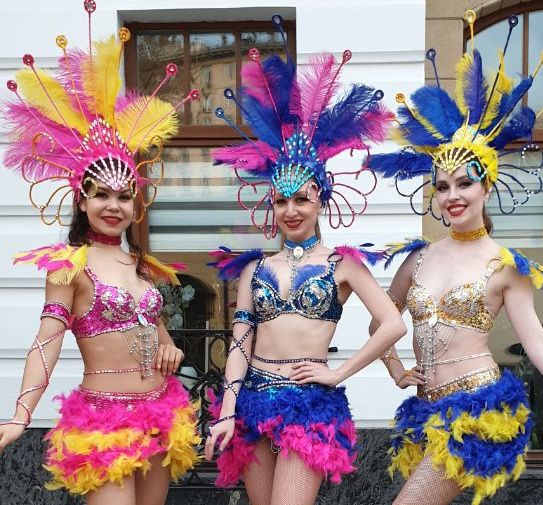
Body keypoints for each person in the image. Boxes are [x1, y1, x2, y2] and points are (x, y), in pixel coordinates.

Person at [367, 10, 543, 505]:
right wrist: (394, 368)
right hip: (425, 411)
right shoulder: (417, 260)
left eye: (464, 183)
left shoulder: (506, 266)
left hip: (477, 411)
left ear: (486, 187)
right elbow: (382, 321)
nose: (452, 196)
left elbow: (539, 347)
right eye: (442, 186)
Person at [0, 3, 202, 503]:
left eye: (124, 196)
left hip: (160, 410)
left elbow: (156, 334)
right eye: (102, 195)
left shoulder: (141, 266)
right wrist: (20, 416)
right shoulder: (68, 266)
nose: (114, 206)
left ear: (135, 203)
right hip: (104, 419)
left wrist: (171, 349)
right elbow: (46, 343)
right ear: (81, 200)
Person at [204, 15, 406, 505]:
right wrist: (227, 410)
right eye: (281, 200)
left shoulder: (343, 264)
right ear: (270, 204)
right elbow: (240, 343)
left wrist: (338, 372)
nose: (290, 210)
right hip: (252, 401)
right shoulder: (254, 268)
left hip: (311, 403)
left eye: (301, 199)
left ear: (320, 201)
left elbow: (393, 324)